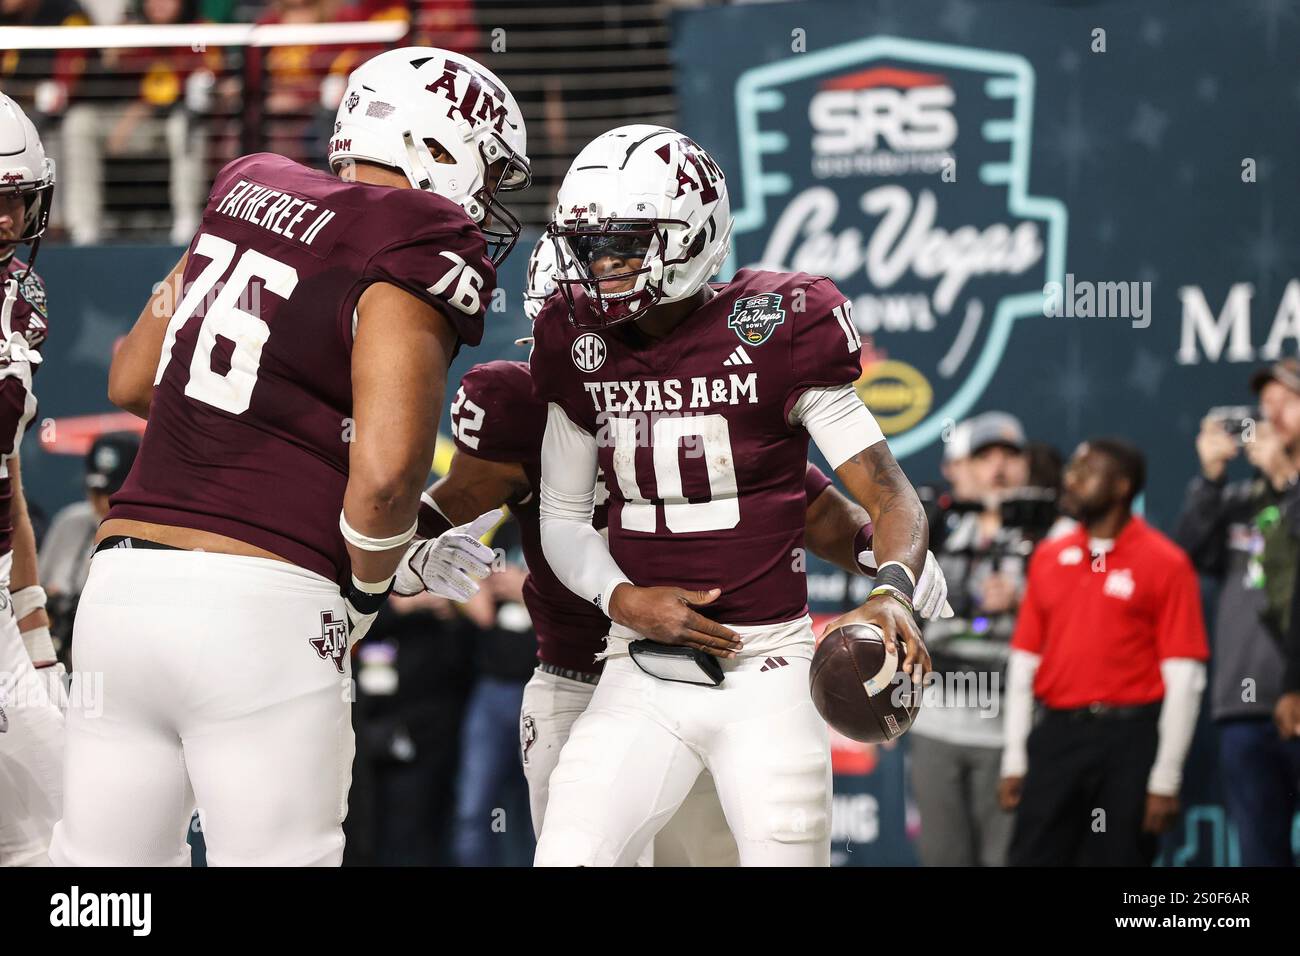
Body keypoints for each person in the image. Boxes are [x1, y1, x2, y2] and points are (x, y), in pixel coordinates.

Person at [48, 47, 530, 867]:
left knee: (99, 885)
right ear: (438, 147)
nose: (482, 203)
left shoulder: (250, 187)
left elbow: (134, 377)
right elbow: (384, 481)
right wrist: (377, 582)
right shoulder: (419, 230)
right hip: (260, 609)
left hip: (120, 593)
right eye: (484, 172)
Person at [404, 238, 950, 866]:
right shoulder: (529, 410)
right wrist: (407, 560)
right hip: (583, 674)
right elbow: (432, 512)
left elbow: (811, 507)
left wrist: (886, 563)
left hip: (705, 668)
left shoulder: (701, 391)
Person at [528, 125, 936, 867]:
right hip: (636, 668)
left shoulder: (778, 323)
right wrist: (622, 598)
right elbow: (561, 516)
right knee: (568, 855)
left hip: (768, 672)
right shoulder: (573, 337)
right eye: (589, 247)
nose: (602, 267)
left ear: (693, 234)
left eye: (623, 243)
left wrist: (894, 593)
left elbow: (891, 496)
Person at [1000, 438, 1209, 866]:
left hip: (1129, 743)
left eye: (1086, 471)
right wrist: (1014, 760)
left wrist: (1165, 779)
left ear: (1121, 487)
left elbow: (1185, 678)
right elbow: (1023, 665)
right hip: (1057, 737)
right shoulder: (1048, 557)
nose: (1070, 480)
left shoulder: (1165, 563)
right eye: (1071, 469)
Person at [1178, 361, 1300, 865]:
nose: (1270, 414)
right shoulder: (1239, 501)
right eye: (1265, 403)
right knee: (1259, 853)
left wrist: (1287, 480)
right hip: (1244, 704)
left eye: (1286, 401)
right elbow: (1189, 554)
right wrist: (1209, 479)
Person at [911, 411, 1031, 867]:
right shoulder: (932, 530)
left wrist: (1026, 601)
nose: (998, 467)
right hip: (936, 725)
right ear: (958, 467)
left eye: (1010, 455)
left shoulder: (1048, 537)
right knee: (943, 857)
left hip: (1010, 732)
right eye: (984, 456)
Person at [0, 92, 63, 867]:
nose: (9, 223)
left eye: (17, 201)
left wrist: (36, 631)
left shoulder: (21, 296)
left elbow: (7, 469)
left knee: (56, 835)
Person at [38, 431, 141, 656]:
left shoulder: (147, 537)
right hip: (56, 652)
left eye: (112, 491)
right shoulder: (69, 522)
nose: (102, 501)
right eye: (96, 491)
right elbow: (39, 590)